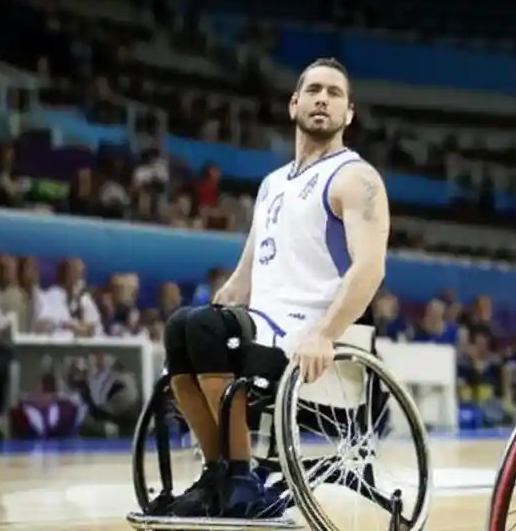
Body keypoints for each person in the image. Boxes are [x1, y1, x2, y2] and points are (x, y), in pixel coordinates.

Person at [149, 57, 390, 519]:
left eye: (334, 93)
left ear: (349, 113)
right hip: (260, 324)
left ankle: (241, 481)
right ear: (293, 103)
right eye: (314, 89)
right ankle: (219, 474)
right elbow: (244, 278)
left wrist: (325, 332)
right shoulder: (272, 184)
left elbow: (370, 267)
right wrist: (219, 302)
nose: (323, 98)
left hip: (314, 335)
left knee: (203, 329)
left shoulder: (355, 178)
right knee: (182, 326)